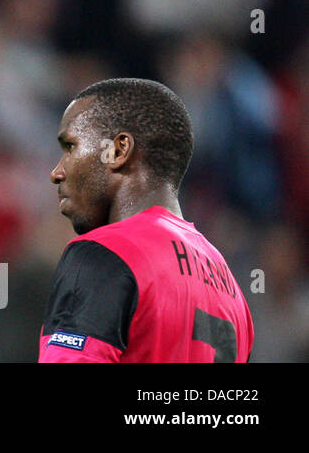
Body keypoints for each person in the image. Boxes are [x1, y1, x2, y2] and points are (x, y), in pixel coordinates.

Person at [40, 78, 253, 362]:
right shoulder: (232, 290)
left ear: (117, 150)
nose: (57, 171)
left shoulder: (105, 253)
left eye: (70, 147)